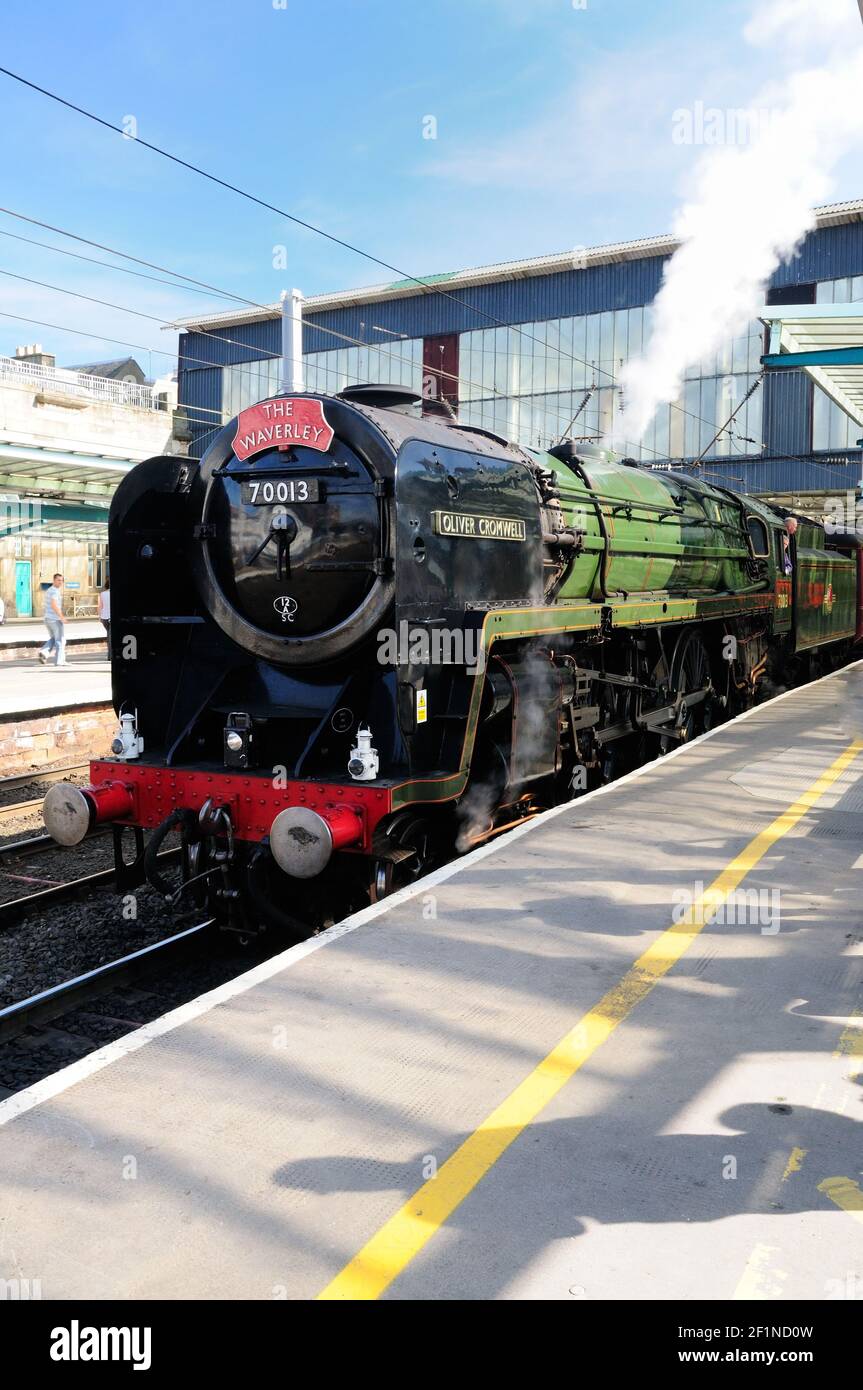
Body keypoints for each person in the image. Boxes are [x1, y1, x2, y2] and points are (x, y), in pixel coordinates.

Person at [38, 573, 66, 667]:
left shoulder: (49, 590)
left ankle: (44, 652)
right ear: (54, 580)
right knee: (60, 640)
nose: (60, 582)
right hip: (55, 619)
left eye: (62, 580)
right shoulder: (55, 591)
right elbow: (54, 605)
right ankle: (59, 661)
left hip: (47, 618)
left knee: (54, 639)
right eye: (58, 580)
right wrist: (61, 617)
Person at [98, 579, 110, 653]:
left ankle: (109, 654)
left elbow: (100, 606)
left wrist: (99, 617)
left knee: (109, 634)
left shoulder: (102, 594)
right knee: (110, 635)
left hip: (104, 617)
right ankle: (111, 654)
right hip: (111, 617)